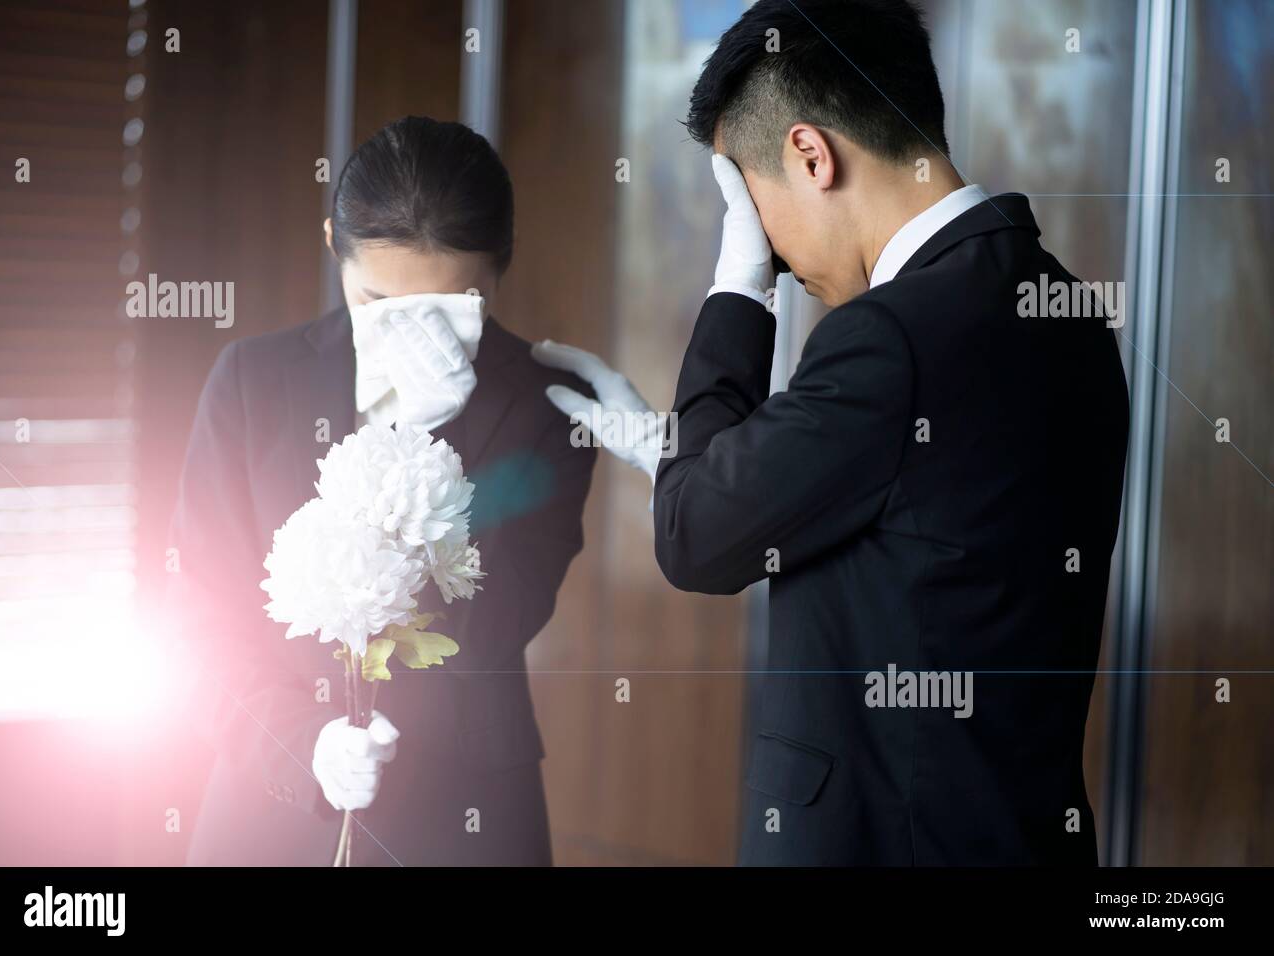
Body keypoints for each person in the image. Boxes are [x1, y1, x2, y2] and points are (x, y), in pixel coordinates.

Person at [535, 0, 1129, 865]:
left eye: (753, 212)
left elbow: (695, 537)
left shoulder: (890, 336)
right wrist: (677, 448)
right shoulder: (1068, 309)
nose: (777, 259)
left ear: (810, 154)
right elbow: (885, 500)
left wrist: (738, 289)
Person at [168, 116, 595, 865]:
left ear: (500, 271)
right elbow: (200, 618)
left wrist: (430, 441)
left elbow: (494, 622)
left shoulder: (548, 403)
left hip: (463, 807)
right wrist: (305, 745)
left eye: (448, 311)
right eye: (378, 303)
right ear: (333, 242)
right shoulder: (251, 380)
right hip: (269, 807)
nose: (409, 338)